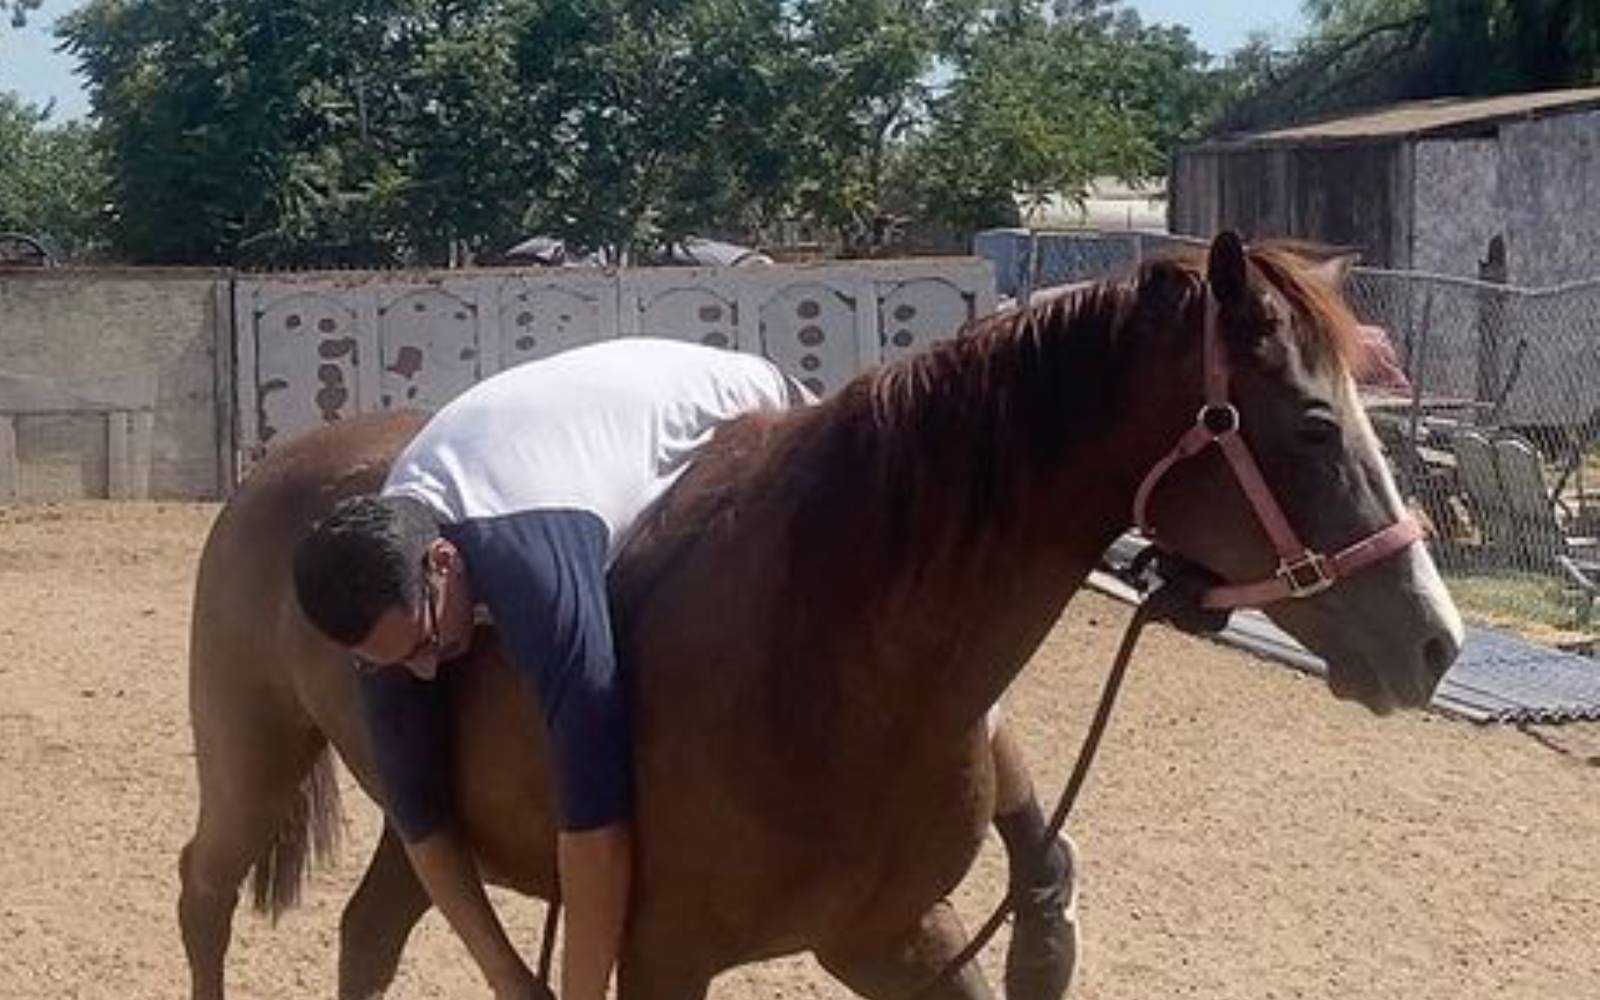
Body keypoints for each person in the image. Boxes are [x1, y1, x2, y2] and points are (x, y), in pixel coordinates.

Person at [291, 336, 801, 1000]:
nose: (422, 672)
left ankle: (989, 735)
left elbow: (596, 827)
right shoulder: (389, 592)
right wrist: (507, 978)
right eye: (394, 660)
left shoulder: (534, 570)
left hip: (738, 396)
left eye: (422, 645)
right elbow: (417, 811)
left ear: (443, 563)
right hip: (535, 431)